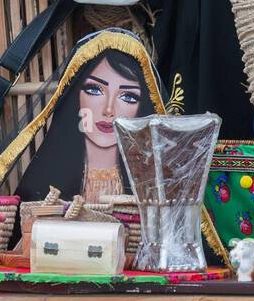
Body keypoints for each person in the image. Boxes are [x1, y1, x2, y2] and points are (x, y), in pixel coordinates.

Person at [15, 48, 155, 204]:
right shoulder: (44, 182)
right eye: (95, 90)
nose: (108, 110)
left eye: (128, 97)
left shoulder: (155, 184)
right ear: (75, 97)